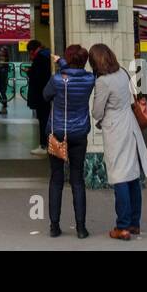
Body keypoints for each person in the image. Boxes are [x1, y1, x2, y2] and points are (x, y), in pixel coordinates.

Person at [90, 43, 147, 241]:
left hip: (115, 129)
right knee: (133, 174)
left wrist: (99, 118)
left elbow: (97, 111)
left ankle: (122, 226)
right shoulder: (123, 72)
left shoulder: (103, 82)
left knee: (119, 176)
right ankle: (135, 223)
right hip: (130, 124)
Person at [43, 44, 95, 239]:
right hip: (79, 133)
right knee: (77, 179)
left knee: (56, 179)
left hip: (57, 133)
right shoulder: (90, 79)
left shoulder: (57, 79)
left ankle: (54, 226)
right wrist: (64, 63)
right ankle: (81, 228)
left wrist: (61, 65)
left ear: (67, 59)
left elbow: (45, 95)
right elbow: (77, 73)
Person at [26, 39, 52, 155]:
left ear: (32, 50)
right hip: (47, 94)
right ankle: (47, 144)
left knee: (43, 120)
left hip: (41, 95)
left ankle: (43, 145)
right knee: (45, 119)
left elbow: (38, 77)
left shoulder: (40, 58)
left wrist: (29, 72)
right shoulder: (46, 55)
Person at [0, 46, 11, 115]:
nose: (0, 52)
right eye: (0, 50)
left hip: (2, 79)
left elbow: (0, 65)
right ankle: (3, 102)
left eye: (2, 51)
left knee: (2, 92)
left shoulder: (5, 60)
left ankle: (4, 103)